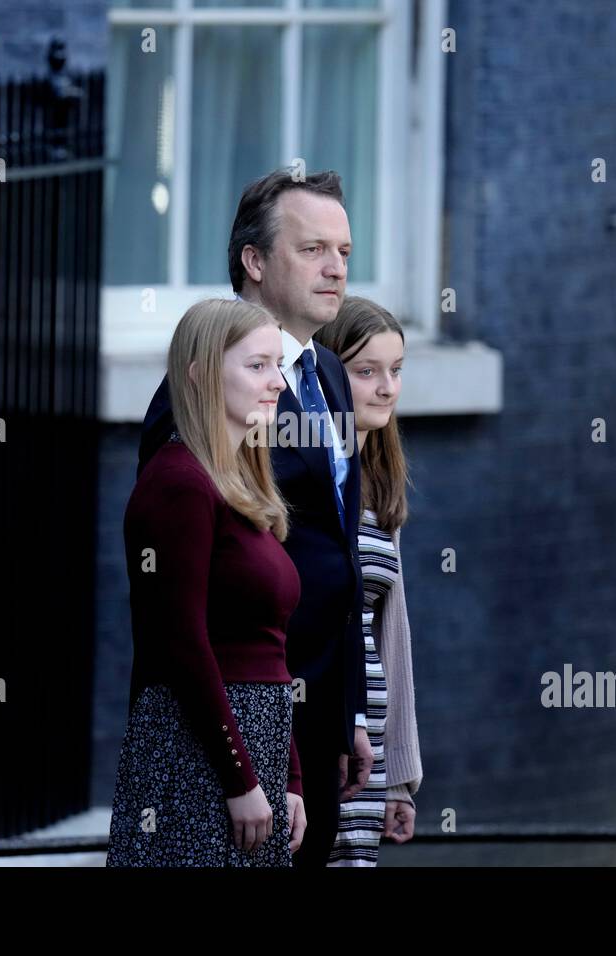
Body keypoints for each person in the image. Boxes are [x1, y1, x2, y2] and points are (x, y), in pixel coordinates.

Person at [136, 169, 373, 867]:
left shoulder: (329, 373)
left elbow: (343, 556)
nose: (335, 270)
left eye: (345, 252)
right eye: (312, 250)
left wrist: (349, 708)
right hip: (234, 721)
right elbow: (174, 605)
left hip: (315, 720)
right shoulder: (201, 394)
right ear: (254, 261)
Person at [106, 298, 307, 867]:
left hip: (251, 750)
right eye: (257, 366)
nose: (277, 383)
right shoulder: (178, 485)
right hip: (197, 755)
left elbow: (268, 652)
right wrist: (240, 778)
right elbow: (181, 645)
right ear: (200, 374)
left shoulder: (238, 486)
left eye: (279, 365)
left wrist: (288, 775)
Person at [315, 296, 423, 866]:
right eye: (367, 371)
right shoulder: (303, 478)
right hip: (312, 733)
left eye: (396, 371)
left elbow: (392, 637)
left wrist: (399, 776)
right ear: (329, 373)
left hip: (369, 742)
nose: (387, 388)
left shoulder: (380, 487)